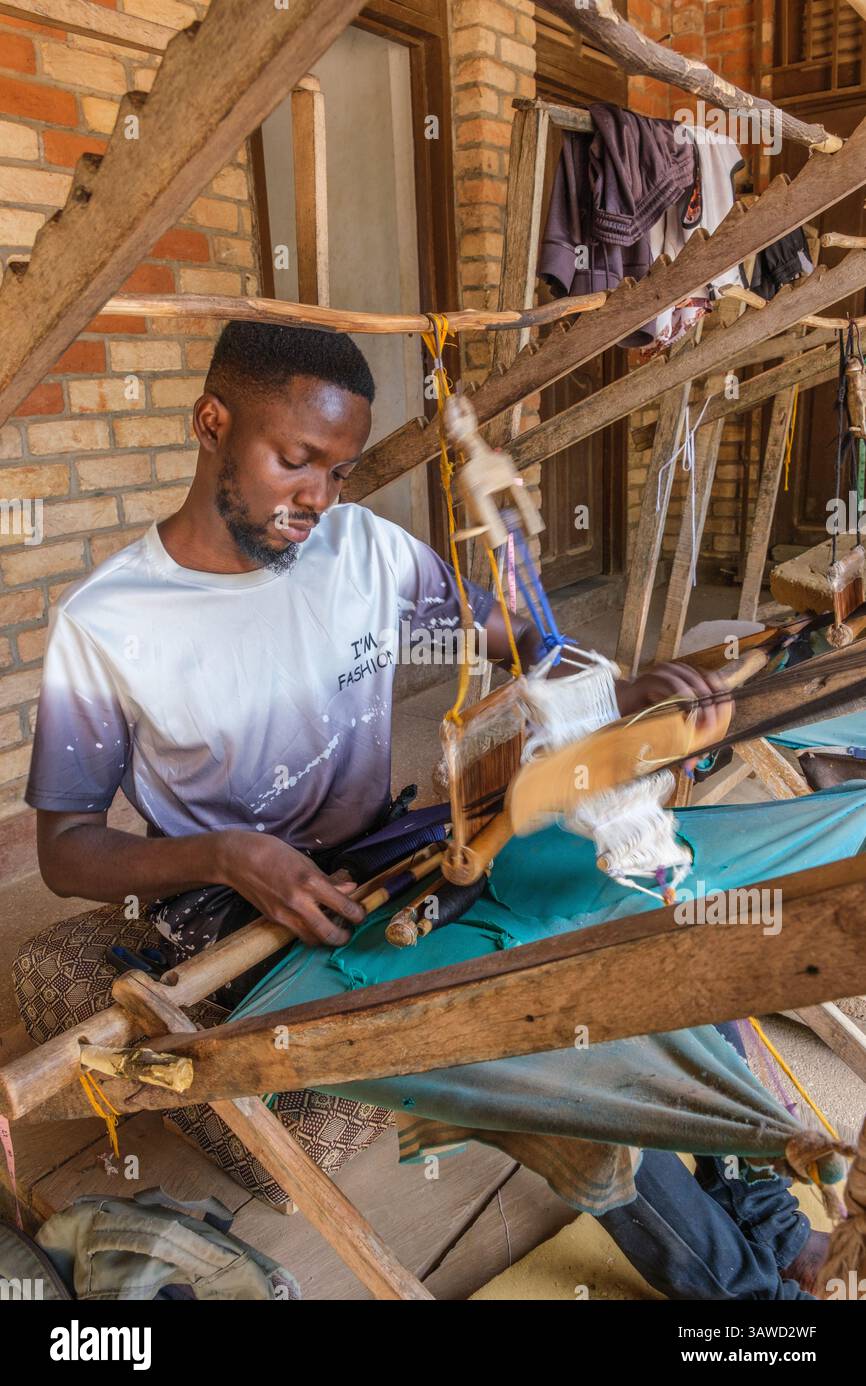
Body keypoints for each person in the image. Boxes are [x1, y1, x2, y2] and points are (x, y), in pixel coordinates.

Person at [16, 321, 823, 1298]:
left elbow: (518, 639)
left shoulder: (361, 550)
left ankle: (768, 1212)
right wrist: (231, 854)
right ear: (211, 422)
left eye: (341, 470)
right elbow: (65, 851)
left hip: (397, 848)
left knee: (662, 906)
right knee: (547, 1023)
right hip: (244, 904)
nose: (317, 498)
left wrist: (626, 689)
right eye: (294, 461)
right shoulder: (111, 623)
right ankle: (750, 1302)